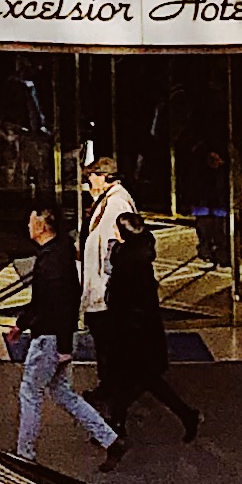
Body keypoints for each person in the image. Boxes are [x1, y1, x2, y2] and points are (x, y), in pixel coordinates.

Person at [8, 206, 126, 471]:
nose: (28, 227)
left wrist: (62, 346)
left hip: (49, 339)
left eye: (31, 221)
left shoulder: (51, 261)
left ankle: (24, 456)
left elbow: (57, 303)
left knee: (31, 393)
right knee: (63, 393)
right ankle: (110, 439)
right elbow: (48, 302)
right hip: (57, 337)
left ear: (41, 227)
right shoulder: (58, 254)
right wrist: (22, 325)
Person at [98, 210, 201, 442]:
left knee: (138, 381)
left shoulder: (131, 265)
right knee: (129, 382)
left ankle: (185, 414)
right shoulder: (133, 257)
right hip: (134, 333)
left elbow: (126, 301)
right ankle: (116, 427)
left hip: (134, 335)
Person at [79, 155, 138, 403]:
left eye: (91, 176)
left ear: (105, 177)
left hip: (106, 291)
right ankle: (110, 387)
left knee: (109, 344)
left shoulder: (117, 205)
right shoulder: (108, 201)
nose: (88, 181)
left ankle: (112, 390)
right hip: (101, 288)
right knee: (105, 343)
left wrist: (108, 286)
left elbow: (115, 247)